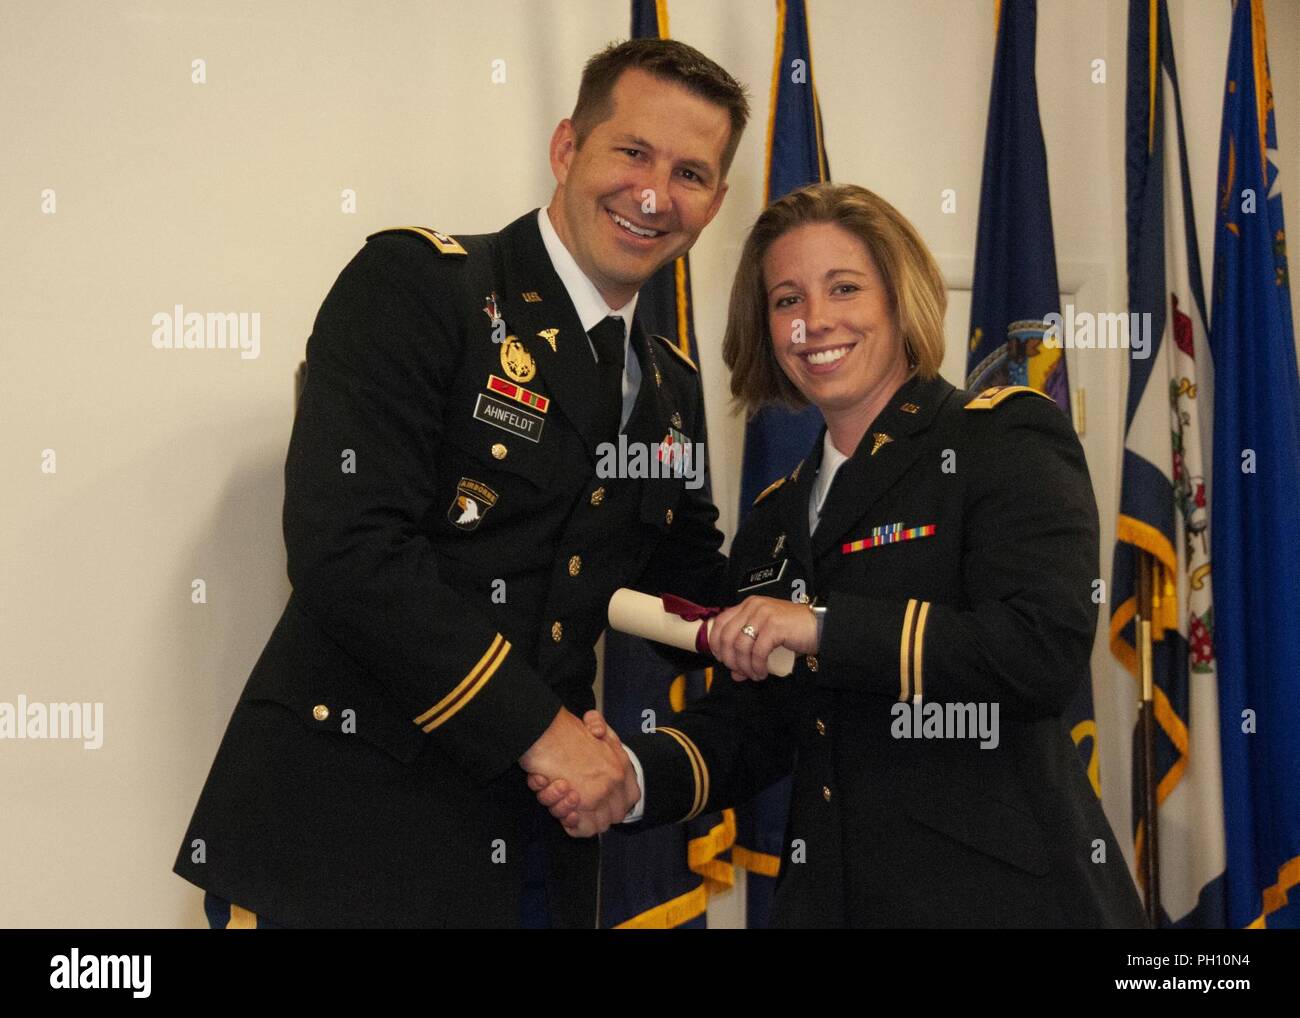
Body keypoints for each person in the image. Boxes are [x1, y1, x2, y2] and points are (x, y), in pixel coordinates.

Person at [173, 38, 749, 928]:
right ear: (567, 149)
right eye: (632, 151)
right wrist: (549, 734)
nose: (653, 193)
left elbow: (679, 584)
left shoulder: (668, 385)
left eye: (691, 173)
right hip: (350, 834)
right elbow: (348, 550)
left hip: (532, 852)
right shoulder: (421, 285)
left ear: (714, 203)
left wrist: (809, 619)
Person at [533, 182, 1148, 928]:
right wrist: (627, 776)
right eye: (786, 299)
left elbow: (1039, 653)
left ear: (899, 299)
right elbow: (753, 728)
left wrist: (821, 627)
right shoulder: (774, 519)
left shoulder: (1000, 440)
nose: (814, 320)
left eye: (844, 288)